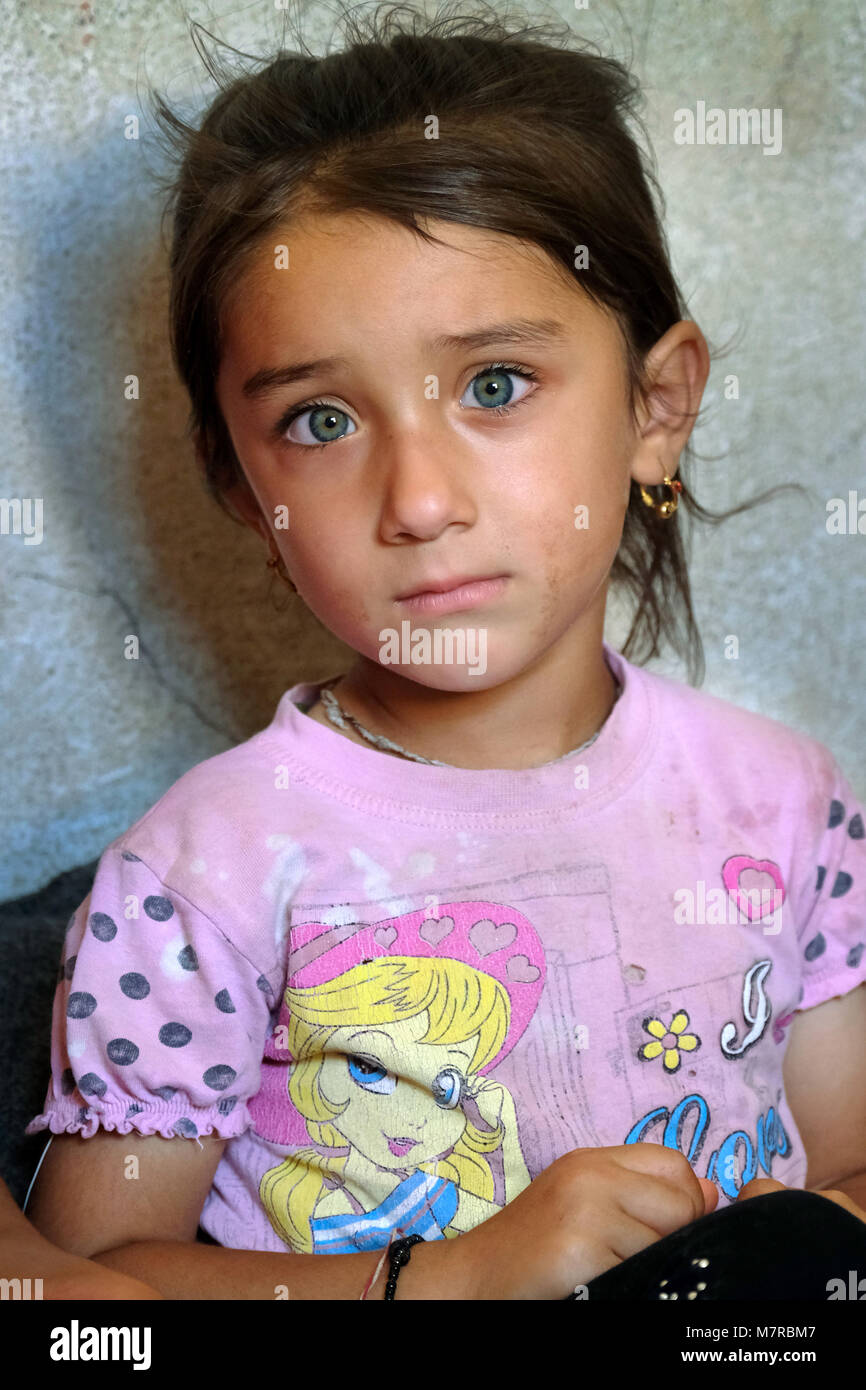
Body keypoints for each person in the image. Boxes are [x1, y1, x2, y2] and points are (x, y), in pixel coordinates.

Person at [8, 1, 866, 1300]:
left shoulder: (785, 809)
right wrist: (438, 1280)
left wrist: (768, 1263)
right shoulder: (201, 880)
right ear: (247, 491)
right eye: (320, 418)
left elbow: (847, 1176)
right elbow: (82, 1299)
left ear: (654, 405)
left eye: (494, 386)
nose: (417, 498)